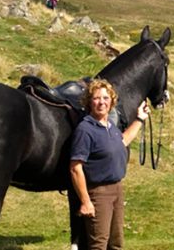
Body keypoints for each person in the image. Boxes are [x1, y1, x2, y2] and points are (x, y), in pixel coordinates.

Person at [69, 79, 149, 250]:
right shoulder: (85, 129)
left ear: (112, 101)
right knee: (98, 245)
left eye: (105, 98)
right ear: (89, 102)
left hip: (117, 190)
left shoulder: (110, 126)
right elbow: (75, 168)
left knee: (116, 244)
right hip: (98, 193)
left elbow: (123, 141)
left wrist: (140, 119)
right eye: (96, 98)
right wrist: (85, 201)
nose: (101, 102)